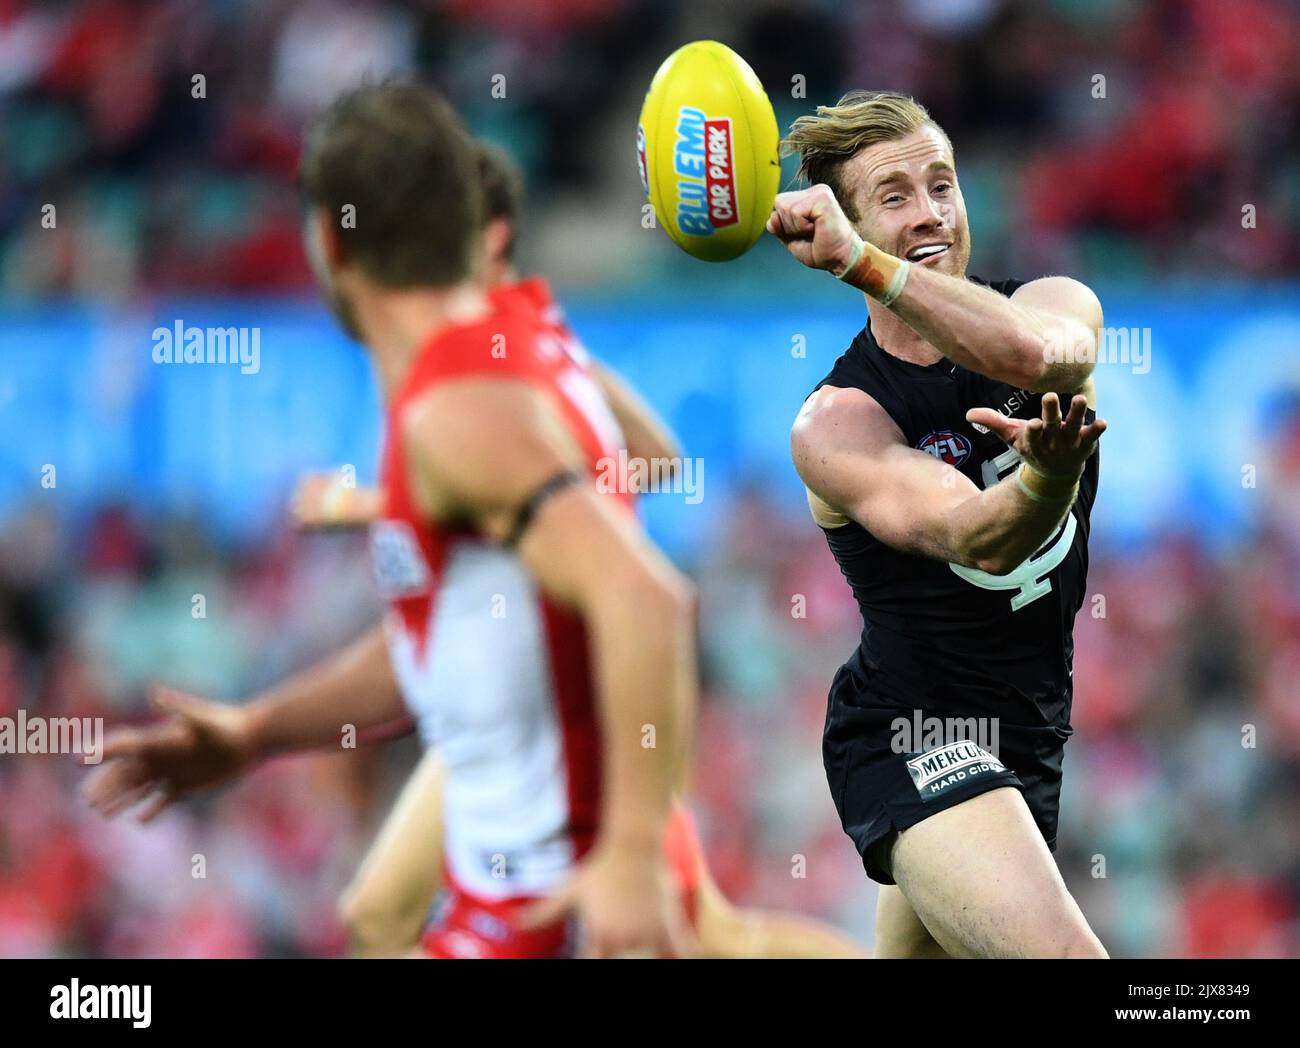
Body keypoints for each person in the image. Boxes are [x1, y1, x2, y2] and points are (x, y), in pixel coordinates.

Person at [83, 81, 697, 959]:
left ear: (331, 239)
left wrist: (632, 862)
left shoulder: (458, 412)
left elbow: (646, 598)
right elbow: (454, 634)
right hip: (520, 911)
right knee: (372, 920)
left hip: (543, 914)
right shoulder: (518, 363)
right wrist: (256, 733)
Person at [769, 90, 1109, 958]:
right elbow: (978, 536)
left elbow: (1041, 356)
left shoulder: (1055, 300)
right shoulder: (837, 421)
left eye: (942, 185)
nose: (930, 214)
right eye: (893, 196)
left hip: (1028, 733)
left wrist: (867, 262)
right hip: (910, 734)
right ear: (844, 231)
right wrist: (1051, 475)